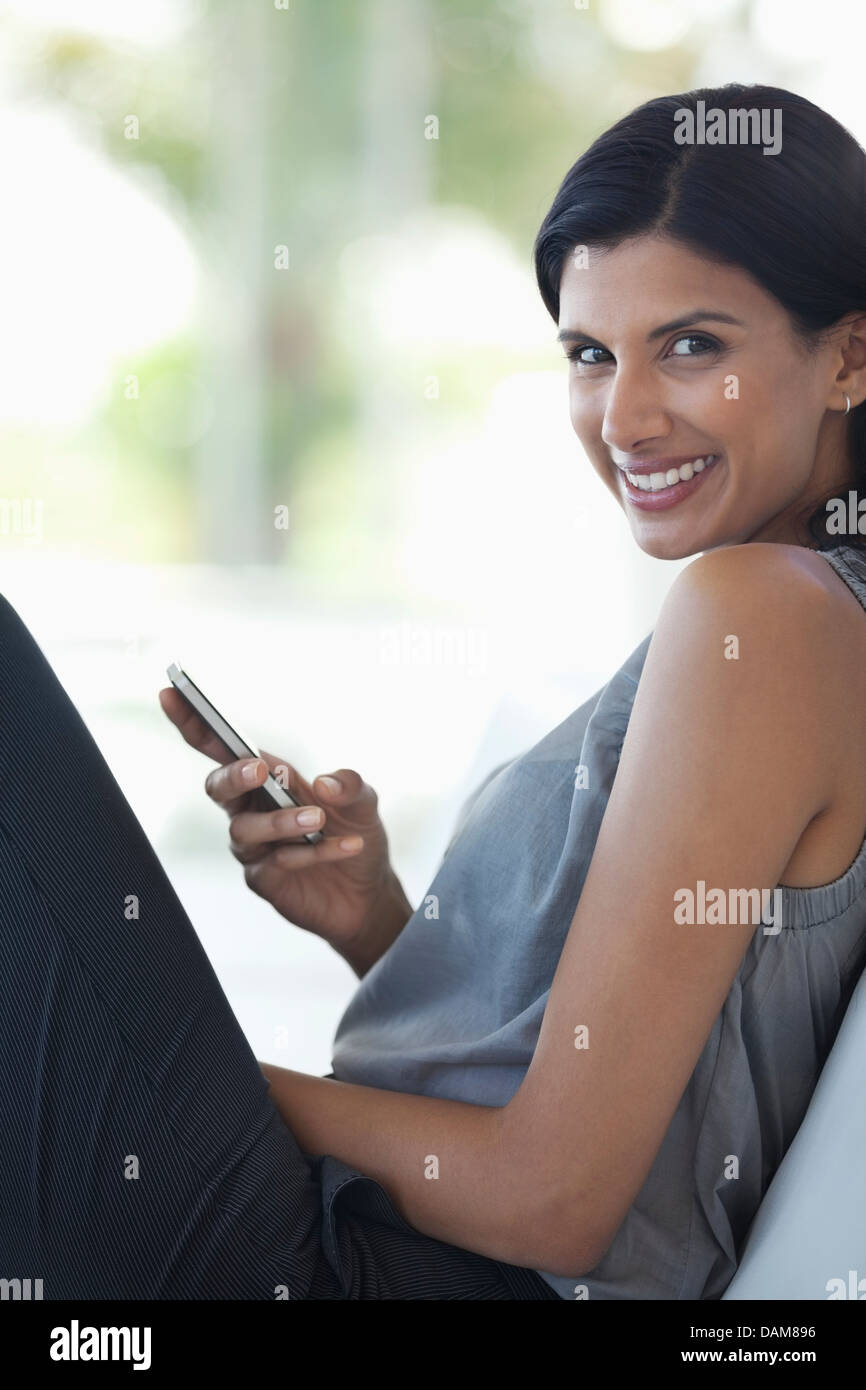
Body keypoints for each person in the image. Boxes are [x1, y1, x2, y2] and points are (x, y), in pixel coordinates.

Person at [4, 81, 866, 1300]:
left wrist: (178, 1077)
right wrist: (376, 920)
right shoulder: (789, 614)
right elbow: (608, 1080)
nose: (622, 416)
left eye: (690, 345)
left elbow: (554, 1202)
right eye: (587, 353)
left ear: (846, 355)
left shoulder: (766, 616)